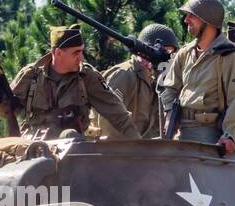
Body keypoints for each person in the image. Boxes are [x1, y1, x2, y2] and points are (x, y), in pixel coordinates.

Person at [9, 25, 140, 138]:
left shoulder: (86, 77)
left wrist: (141, 149)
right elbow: (6, 111)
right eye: (76, 53)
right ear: (58, 53)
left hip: (73, 150)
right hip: (35, 147)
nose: (82, 57)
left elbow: (118, 115)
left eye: (82, 51)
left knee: (69, 135)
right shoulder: (32, 75)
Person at [157, 0, 235, 149]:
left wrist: (229, 136)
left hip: (209, 132)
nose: (186, 20)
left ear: (208, 20)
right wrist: (169, 117)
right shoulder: (185, 52)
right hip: (181, 129)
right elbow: (171, 88)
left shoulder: (230, 54)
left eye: (191, 15)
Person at [94, 23, 179, 137]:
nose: (168, 58)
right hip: (115, 150)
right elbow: (109, 123)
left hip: (137, 148)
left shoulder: (154, 78)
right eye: (166, 52)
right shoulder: (124, 75)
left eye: (171, 53)